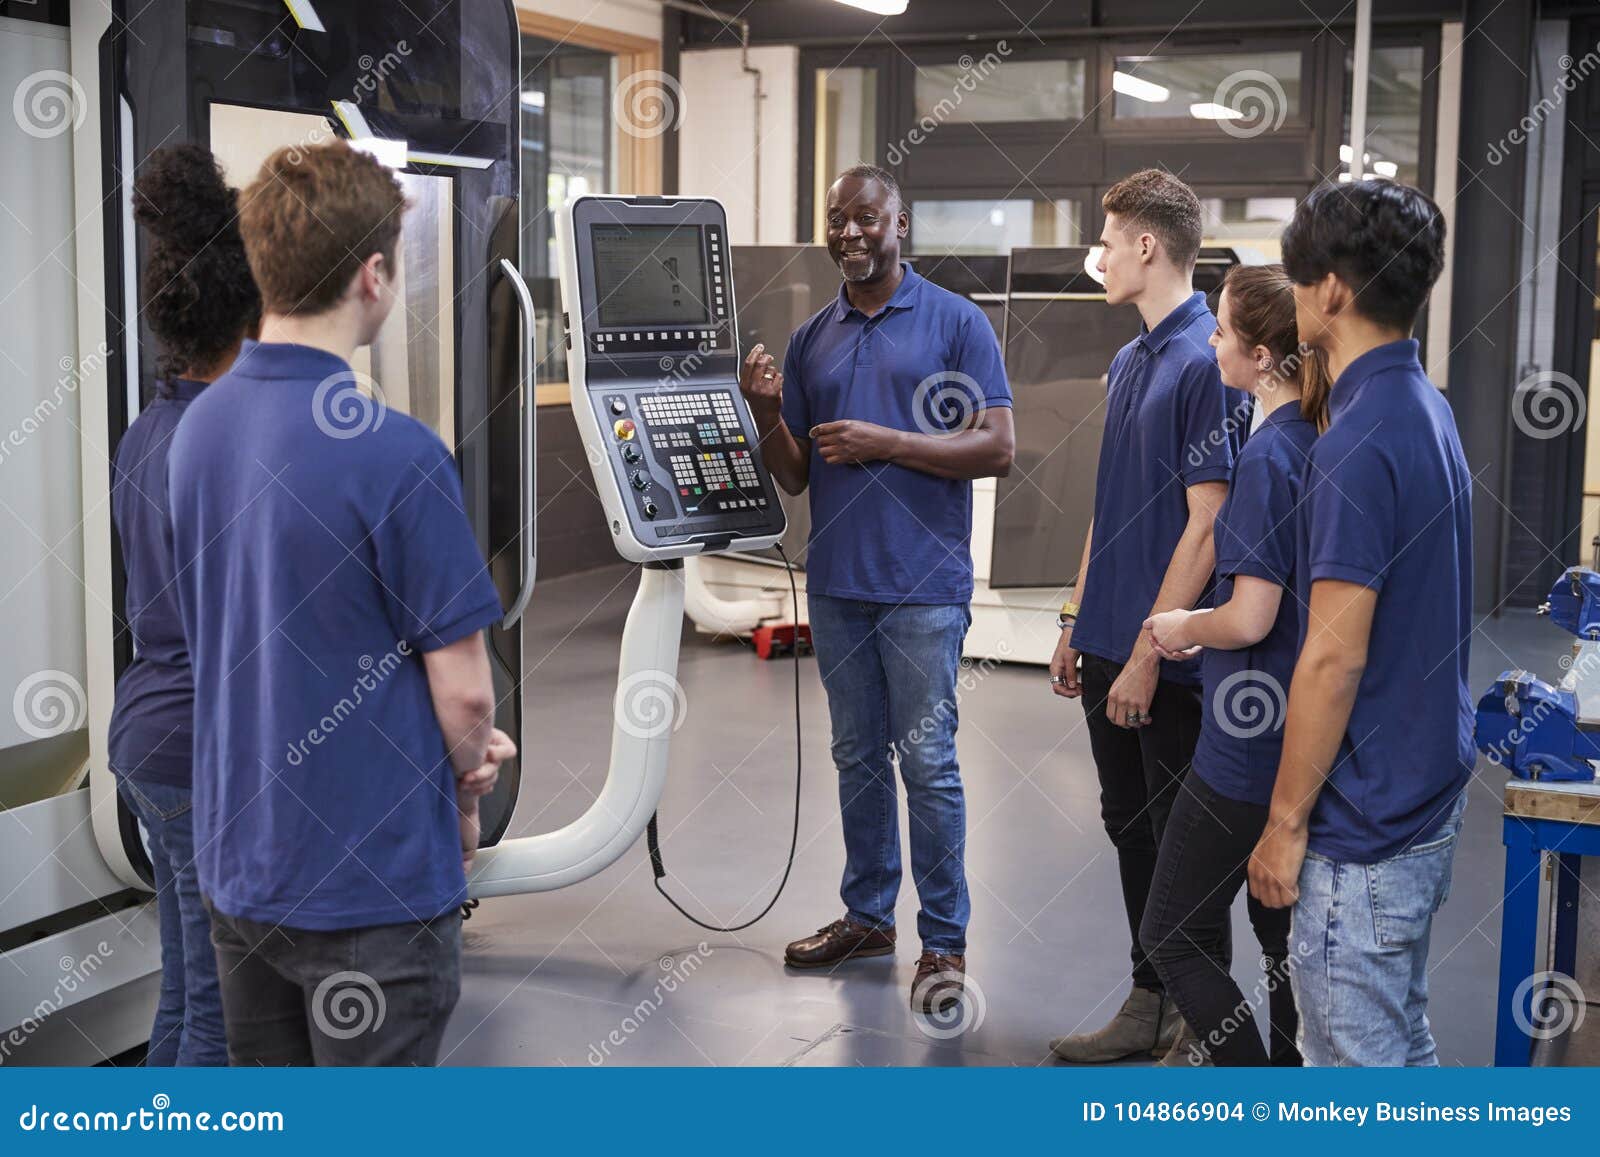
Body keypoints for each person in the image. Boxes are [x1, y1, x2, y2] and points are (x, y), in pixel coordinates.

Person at [168, 141, 515, 1066]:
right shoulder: (399, 455)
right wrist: (470, 787)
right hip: (374, 888)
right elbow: (469, 697)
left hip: (240, 873)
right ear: (373, 274)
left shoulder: (195, 428)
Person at [740, 165, 1014, 1013]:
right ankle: (868, 915)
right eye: (837, 220)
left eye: (868, 218)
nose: (851, 232)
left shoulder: (955, 323)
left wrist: (887, 441)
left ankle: (944, 939)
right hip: (839, 581)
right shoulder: (813, 337)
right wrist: (767, 414)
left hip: (924, 584)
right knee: (856, 757)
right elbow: (794, 477)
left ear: (902, 224)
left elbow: (998, 446)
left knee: (926, 762)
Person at [1247, 179, 1467, 1067]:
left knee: (1351, 1078)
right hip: (1424, 797)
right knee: (1403, 1048)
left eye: (1300, 280)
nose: (1294, 296)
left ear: (1331, 290)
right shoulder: (1425, 408)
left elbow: (1332, 661)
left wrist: (1284, 824)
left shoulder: (1356, 440)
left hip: (1364, 830)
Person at [1047, 169, 1246, 1063]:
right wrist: (1075, 616)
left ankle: (1205, 1022)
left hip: (1167, 653)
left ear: (1145, 244)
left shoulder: (1210, 356)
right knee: (1127, 823)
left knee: (1179, 839)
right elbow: (1109, 502)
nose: (1099, 252)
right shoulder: (1130, 360)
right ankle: (1147, 1000)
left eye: (1106, 231)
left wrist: (1144, 650)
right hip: (1106, 635)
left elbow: (1207, 521)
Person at [1140, 265, 1329, 1067]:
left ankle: (1255, 1099)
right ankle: (1291, 1077)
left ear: (1258, 357)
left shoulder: (1265, 460)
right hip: (1295, 733)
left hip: (1244, 750)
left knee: (1173, 934)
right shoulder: (1314, 442)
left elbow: (1251, 615)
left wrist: (1181, 623)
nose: (1210, 343)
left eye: (1219, 332)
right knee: (1274, 927)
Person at [107, 144, 260, 1066]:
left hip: (147, 739)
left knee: (182, 989)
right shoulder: (220, 443)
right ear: (249, 319)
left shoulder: (149, 428)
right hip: (198, 749)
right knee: (218, 1012)